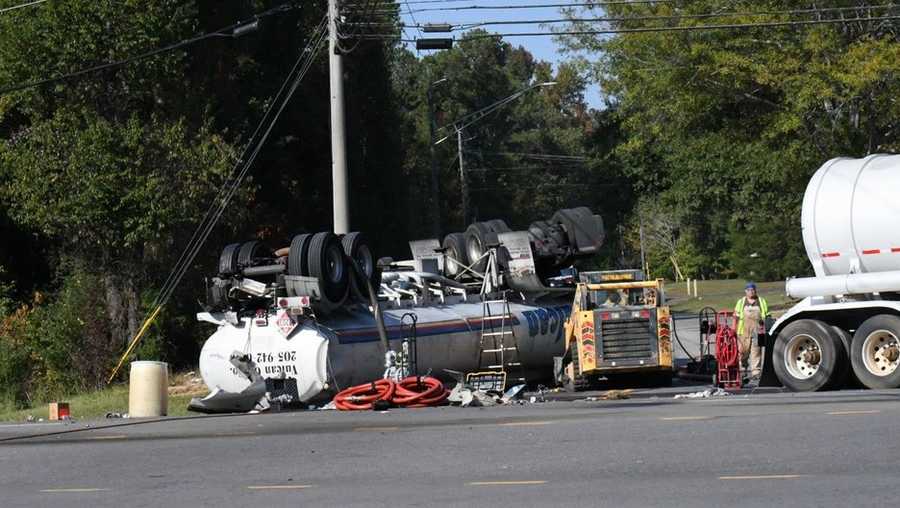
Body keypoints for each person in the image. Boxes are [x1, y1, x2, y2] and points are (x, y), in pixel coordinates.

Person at [734, 282, 769, 384]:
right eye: (749, 290)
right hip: (743, 331)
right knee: (742, 351)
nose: (751, 291)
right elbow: (735, 316)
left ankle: (756, 372)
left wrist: (765, 327)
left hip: (759, 331)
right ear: (746, 291)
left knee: (756, 352)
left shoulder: (761, 301)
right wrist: (734, 329)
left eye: (753, 289)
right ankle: (742, 370)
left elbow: (766, 315)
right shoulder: (741, 302)